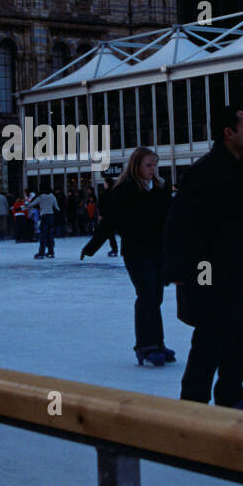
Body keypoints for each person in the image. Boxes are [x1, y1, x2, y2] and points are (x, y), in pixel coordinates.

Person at [163, 107, 243, 412]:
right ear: (228, 133)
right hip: (210, 270)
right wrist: (192, 274)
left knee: (236, 333)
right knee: (209, 335)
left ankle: (231, 396)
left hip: (238, 270)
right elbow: (182, 223)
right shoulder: (205, 171)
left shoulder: (239, 169)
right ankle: (193, 407)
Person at [82, 147, 175, 366]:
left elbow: (171, 218)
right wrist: (92, 247)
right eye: (148, 165)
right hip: (136, 251)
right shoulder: (124, 189)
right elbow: (110, 221)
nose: (152, 170)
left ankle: (157, 342)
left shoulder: (160, 188)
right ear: (136, 165)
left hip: (158, 250)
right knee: (147, 294)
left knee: (156, 296)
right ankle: (145, 345)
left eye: (154, 165)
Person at [33, 183, 59, 259]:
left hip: (44, 216)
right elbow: (56, 207)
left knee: (43, 235)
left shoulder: (41, 196)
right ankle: (51, 251)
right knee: (50, 235)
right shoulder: (52, 195)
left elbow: (33, 204)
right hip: (52, 216)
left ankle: (41, 252)